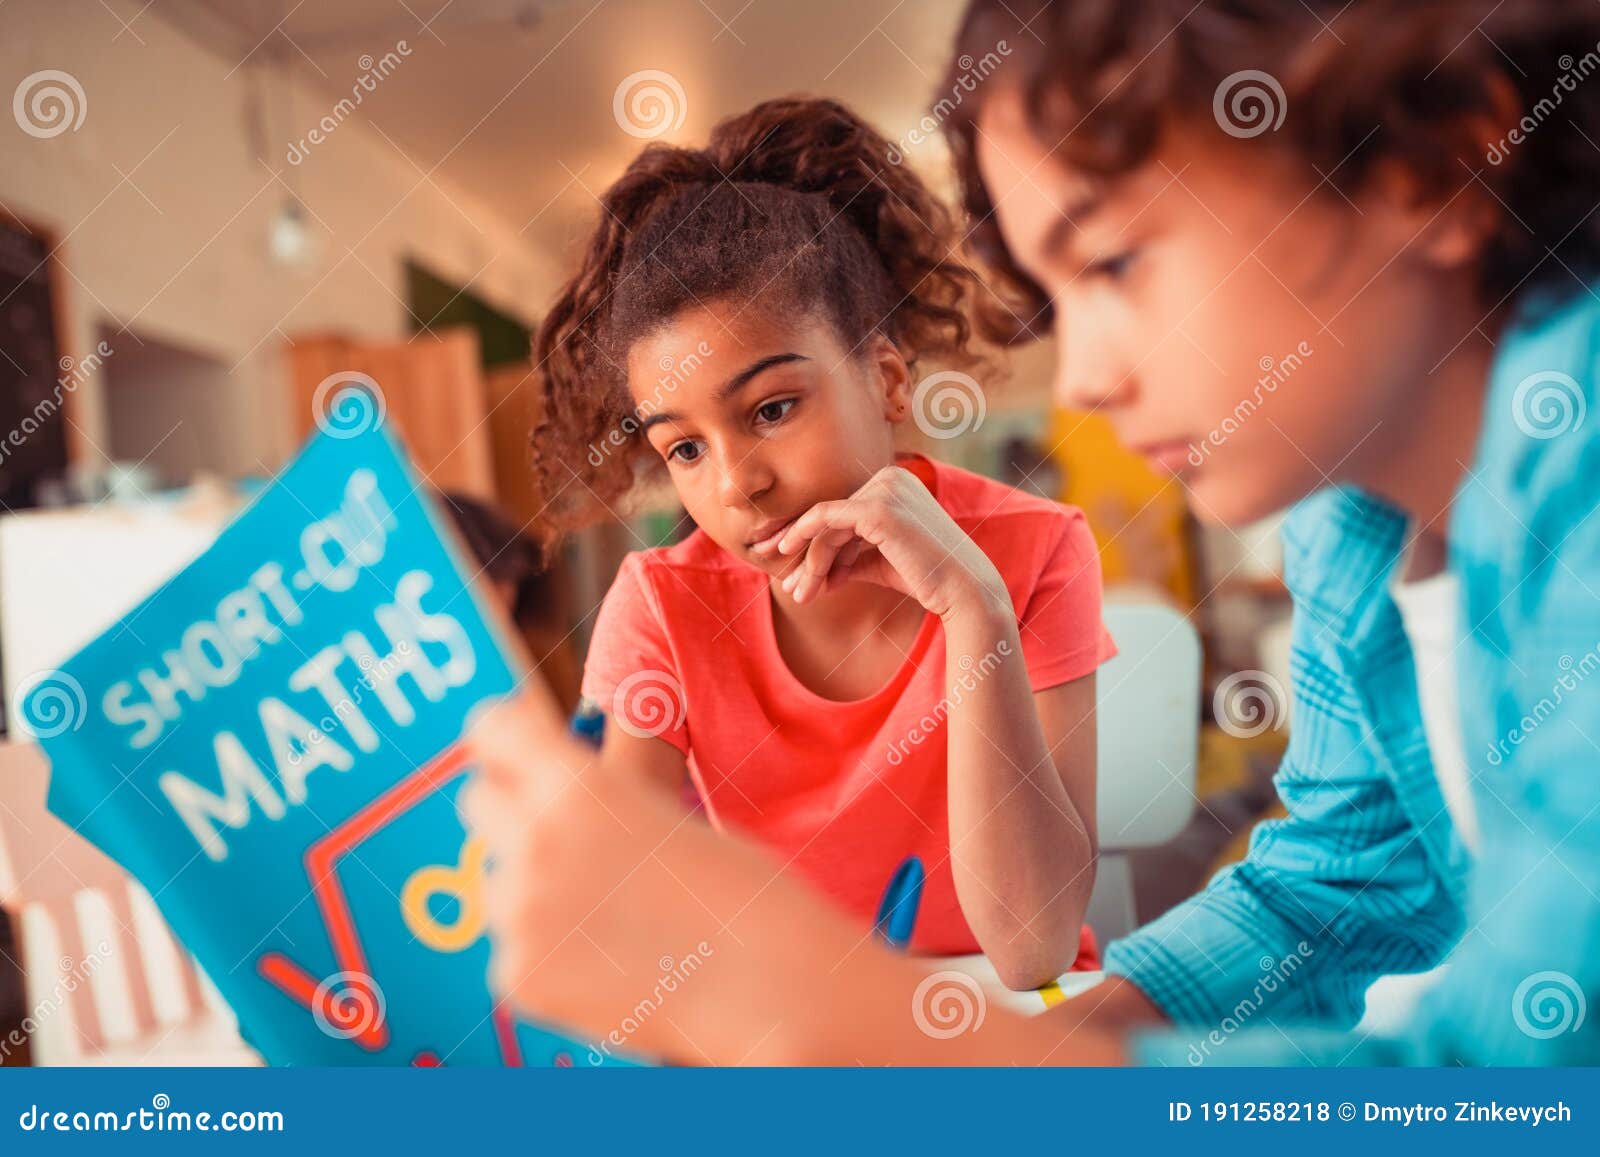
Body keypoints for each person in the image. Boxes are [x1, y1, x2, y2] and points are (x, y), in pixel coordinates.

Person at [463, 0, 1600, 1065]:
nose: (1084, 380)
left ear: (1430, 172)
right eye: (682, 448)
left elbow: (1504, 1081)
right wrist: (1067, 1045)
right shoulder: (1350, 533)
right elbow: (1333, 887)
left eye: (1113, 261)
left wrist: (856, 1031)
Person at [513, 97, 1116, 987]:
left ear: (887, 380)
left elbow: (1033, 949)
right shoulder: (662, 608)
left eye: (771, 409)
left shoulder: (1035, 550)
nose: (737, 483)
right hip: (797, 1031)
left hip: (1012, 1020)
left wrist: (975, 609)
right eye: (685, 449)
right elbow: (622, 924)